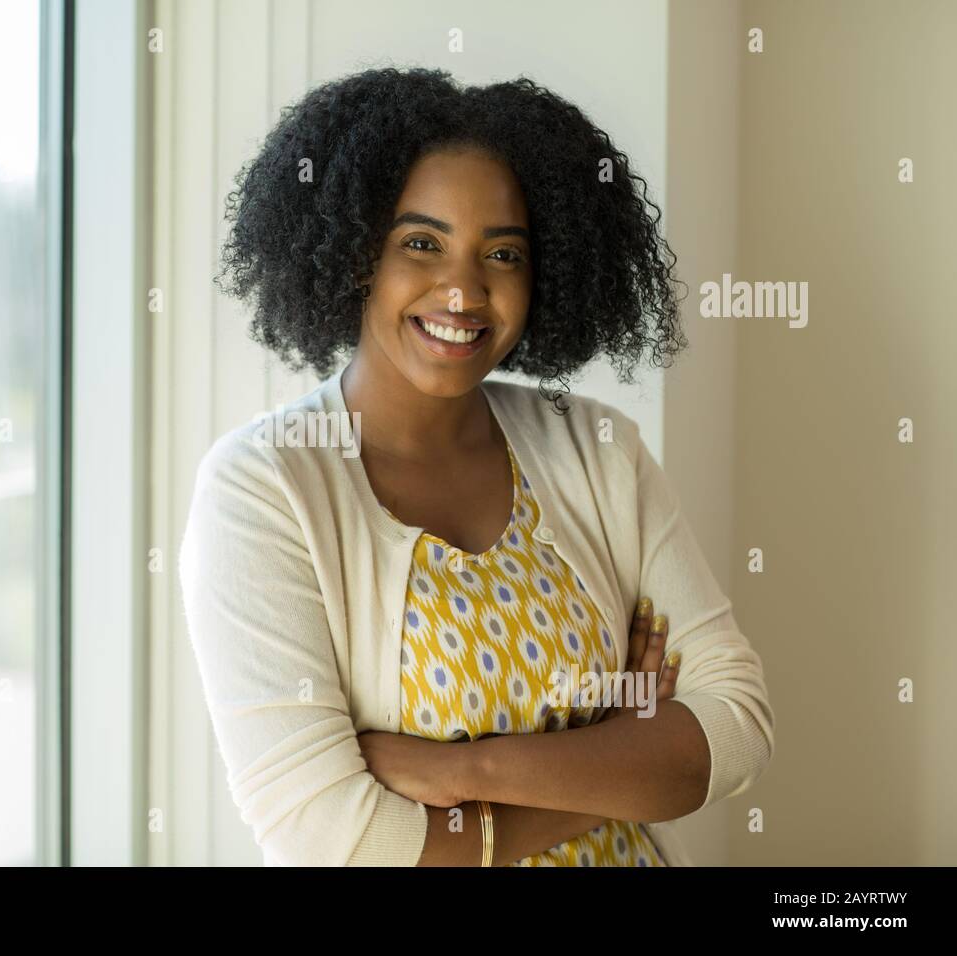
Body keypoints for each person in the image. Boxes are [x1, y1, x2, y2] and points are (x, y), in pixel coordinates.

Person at [179, 67, 774, 866]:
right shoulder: (261, 490)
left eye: (503, 254)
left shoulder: (597, 450)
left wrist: (464, 771)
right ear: (359, 255)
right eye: (421, 244)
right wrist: (613, 755)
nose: (463, 291)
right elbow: (332, 839)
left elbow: (736, 729)